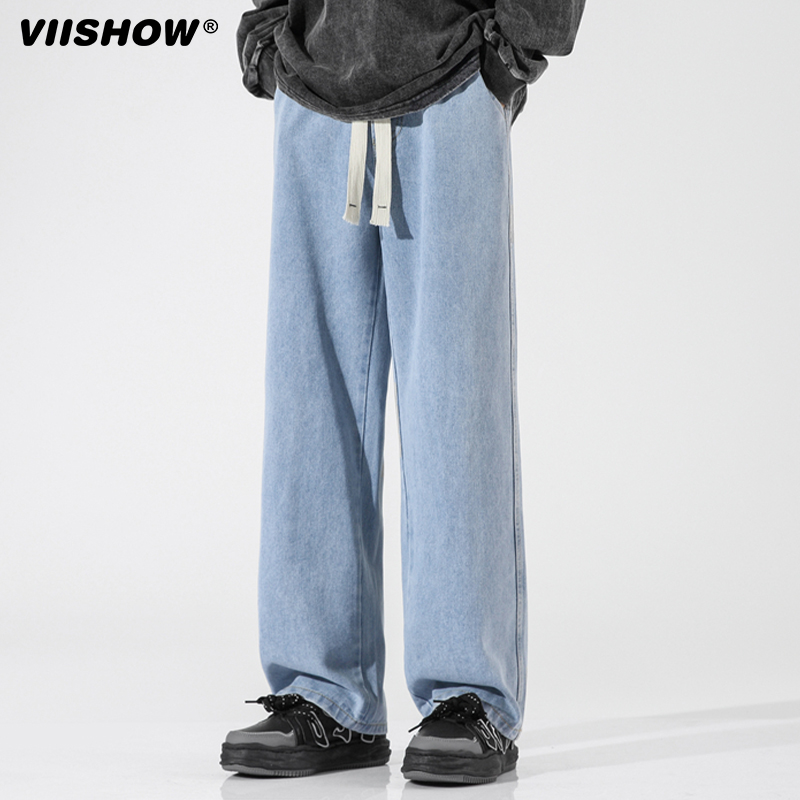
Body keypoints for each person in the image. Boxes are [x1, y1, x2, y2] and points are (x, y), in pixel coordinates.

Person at [220, 0, 585, 784]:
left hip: (452, 74)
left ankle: (469, 694)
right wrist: (271, 35)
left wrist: (514, 49)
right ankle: (324, 693)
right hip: (314, 77)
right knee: (308, 402)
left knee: (454, 401)